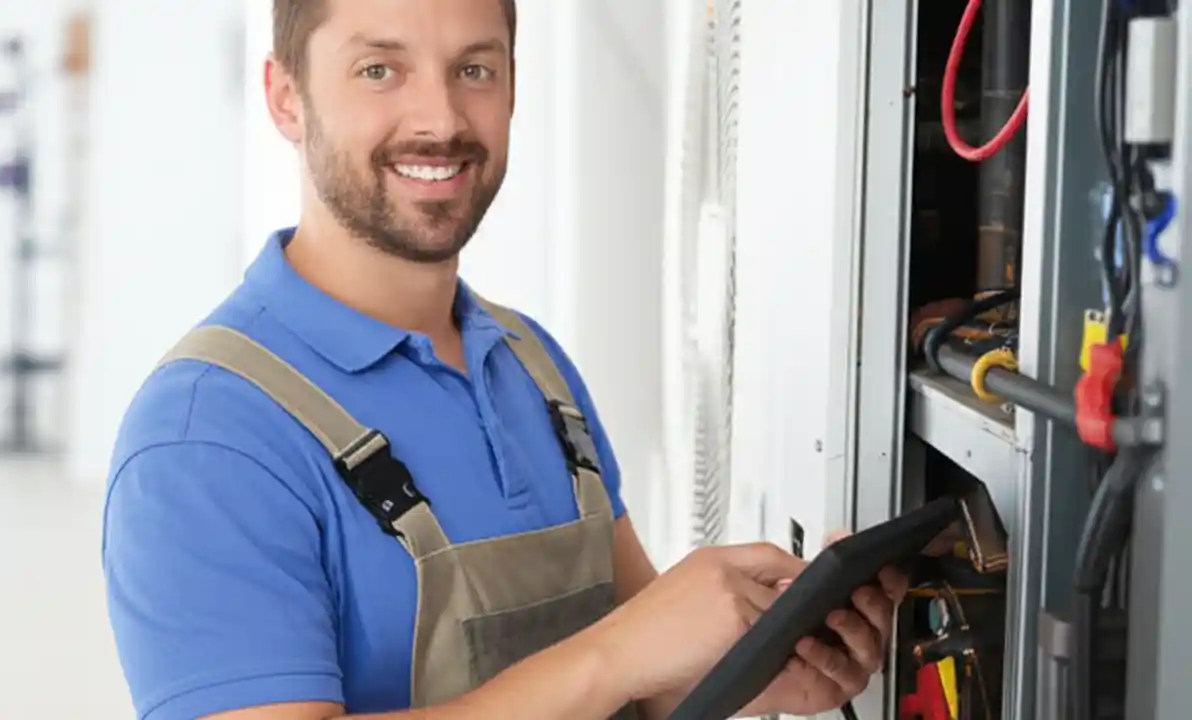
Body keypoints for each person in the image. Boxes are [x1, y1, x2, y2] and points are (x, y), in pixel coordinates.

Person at [102, 1, 909, 718]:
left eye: (474, 69)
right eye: (379, 69)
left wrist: (760, 674)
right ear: (286, 96)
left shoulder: (531, 363)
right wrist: (615, 653)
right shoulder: (208, 435)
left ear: (513, 89)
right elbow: (618, 659)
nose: (439, 118)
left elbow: (642, 686)